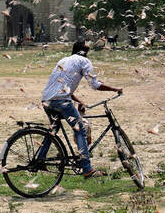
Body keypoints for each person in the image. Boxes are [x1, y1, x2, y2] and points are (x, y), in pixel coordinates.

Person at [40, 40, 123, 178]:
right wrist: (115, 89)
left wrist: (80, 101)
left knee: (53, 131)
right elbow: (95, 85)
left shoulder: (64, 60)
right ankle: (87, 168)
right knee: (80, 130)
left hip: (47, 100)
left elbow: (60, 86)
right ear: (86, 52)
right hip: (61, 101)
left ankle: (41, 159)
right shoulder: (84, 61)